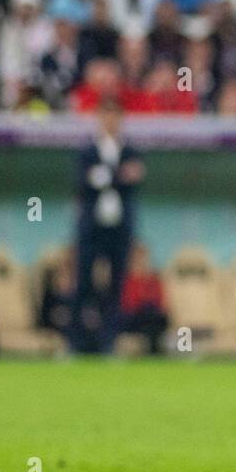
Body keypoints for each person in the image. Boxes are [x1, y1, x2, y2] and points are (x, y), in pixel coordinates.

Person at [71, 100, 145, 353]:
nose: (110, 122)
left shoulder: (131, 150)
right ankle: (76, 343)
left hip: (119, 229)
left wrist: (104, 176)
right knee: (83, 284)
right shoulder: (87, 151)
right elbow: (86, 180)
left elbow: (132, 178)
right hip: (91, 228)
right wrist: (118, 176)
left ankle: (108, 342)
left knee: (116, 286)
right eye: (106, 116)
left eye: (115, 117)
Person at [118, 242, 168, 355]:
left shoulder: (154, 279)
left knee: (154, 318)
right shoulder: (125, 280)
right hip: (132, 319)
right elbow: (127, 304)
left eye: (143, 257)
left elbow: (160, 302)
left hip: (152, 319)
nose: (141, 260)